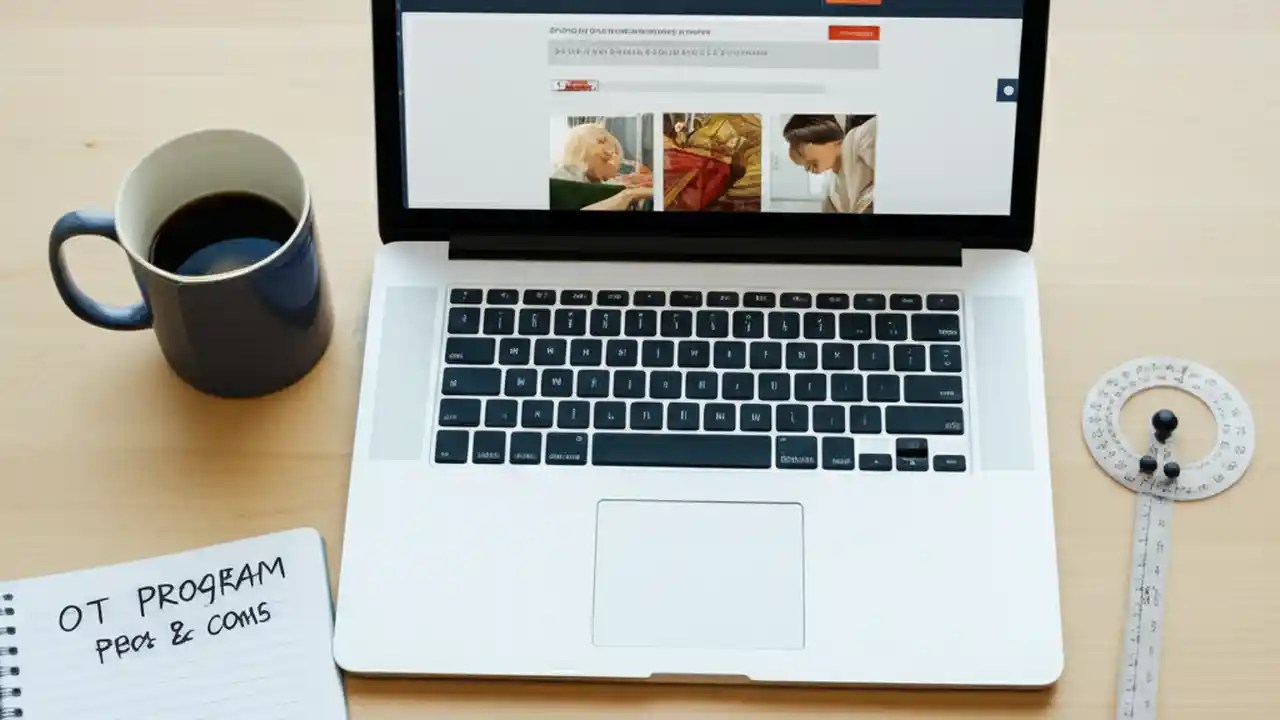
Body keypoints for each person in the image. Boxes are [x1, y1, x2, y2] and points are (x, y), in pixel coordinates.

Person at [782, 114, 876, 213]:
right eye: (803, 165)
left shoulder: (863, 137)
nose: (807, 168)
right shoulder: (832, 194)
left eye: (800, 152)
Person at [550, 123, 652, 211]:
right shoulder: (565, 178)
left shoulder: (594, 178)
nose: (617, 163)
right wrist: (629, 195)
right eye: (601, 141)